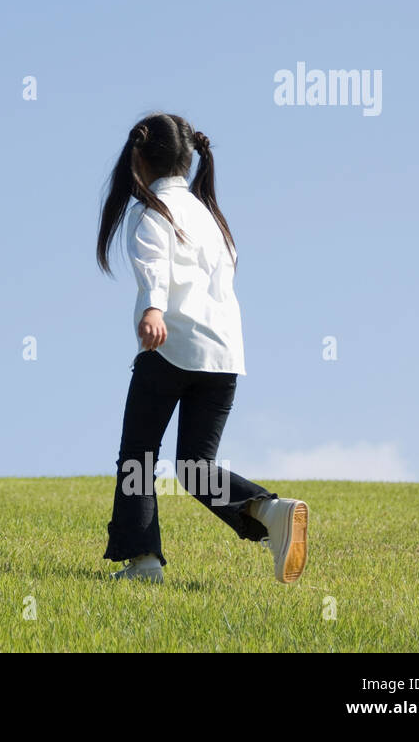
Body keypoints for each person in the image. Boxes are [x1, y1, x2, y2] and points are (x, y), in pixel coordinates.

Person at [94, 114, 307, 584]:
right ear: (188, 160)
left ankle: (144, 563)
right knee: (194, 466)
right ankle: (270, 511)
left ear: (137, 158)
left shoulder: (152, 211)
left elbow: (154, 264)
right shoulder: (210, 216)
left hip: (170, 347)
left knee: (138, 457)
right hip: (224, 356)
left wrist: (152, 309)